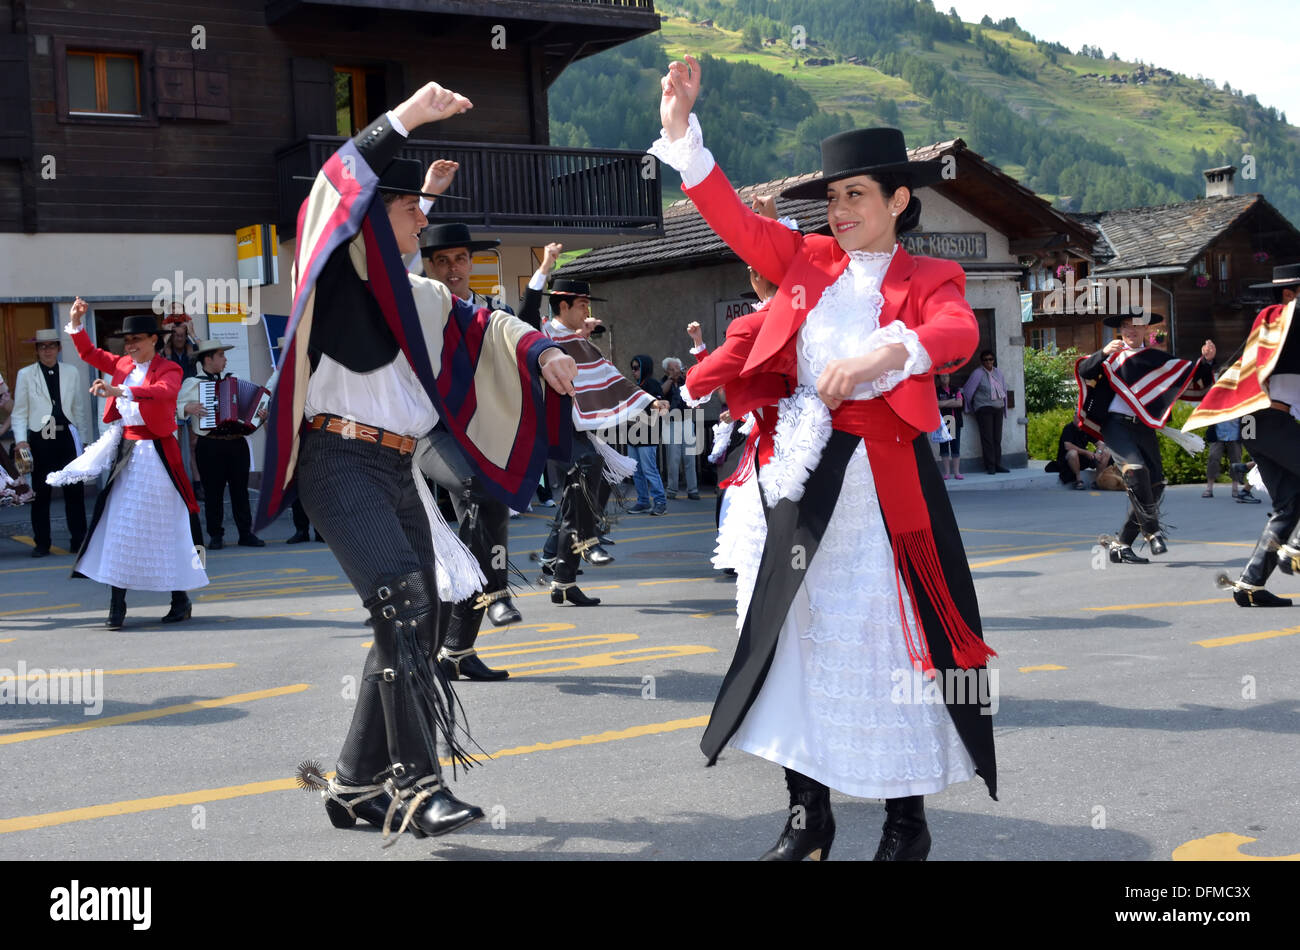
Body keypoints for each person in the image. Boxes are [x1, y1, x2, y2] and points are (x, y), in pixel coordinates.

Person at [650, 54, 996, 861]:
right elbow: (736, 221)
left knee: (889, 646)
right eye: (832, 198)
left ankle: (906, 825)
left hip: (884, 495)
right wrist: (682, 137)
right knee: (789, 637)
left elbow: (958, 335)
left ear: (898, 200)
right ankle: (809, 817)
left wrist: (884, 355)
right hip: (805, 481)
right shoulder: (805, 263)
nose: (838, 211)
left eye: (854, 196)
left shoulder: (932, 276)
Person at [255, 81, 577, 841]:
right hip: (337, 462)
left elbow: (488, 325)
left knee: (418, 620)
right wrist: (403, 119)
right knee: (402, 603)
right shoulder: (332, 269)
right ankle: (416, 787)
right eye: (410, 209)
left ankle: (356, 786)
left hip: (397, 470)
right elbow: (336, 185)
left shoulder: (424, 298)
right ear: (373, 215)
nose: (423, 219)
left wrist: (544, 351)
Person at [519, 243, 660, 607]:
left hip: (575, 428)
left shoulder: (579, 343)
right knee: (589, 468)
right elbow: (526, 310)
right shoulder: (542, 334)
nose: (587, 309)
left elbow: (611, 378)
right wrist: (546, 267)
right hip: (547, 425)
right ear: (563, 305)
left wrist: (648, 399)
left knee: (582, 491)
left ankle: (561, 574)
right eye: (582, 303)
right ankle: (587, 538)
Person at [53, 302, 207, 628]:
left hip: (159, 455)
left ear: (154, 339)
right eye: (127, 341)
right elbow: (90, 355)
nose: (130, 346)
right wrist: (76, 323)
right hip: (128, 453)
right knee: (121, 527)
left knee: (168, 527)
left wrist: (119, 389)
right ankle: (117, 605)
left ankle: (180, 599)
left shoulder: (170, 369)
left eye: (136, 339)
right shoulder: (122, 364)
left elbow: (162, 393)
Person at [1185, 263, 1300, 606]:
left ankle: (1250, 585)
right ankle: (1294, 550)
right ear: (1288, 294)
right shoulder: (1275, 318)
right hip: (1268, 421)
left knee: (1289, 505)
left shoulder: (1281, 339)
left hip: (1257, 424)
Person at [1077, 315, 1214, 564]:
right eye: (1126, 325)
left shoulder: (1155, 358)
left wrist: (1206, 360)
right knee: (1136, 471)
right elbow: (1085, 370)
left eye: (1136, 325)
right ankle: (1153, 533)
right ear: (1120, 329)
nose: (1131, 329)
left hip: (1144, 427)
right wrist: (1102, 352)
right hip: (1115, 424)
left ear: (1145, 329)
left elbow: (1188, 373)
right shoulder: (1111, 356)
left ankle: (1121, 544)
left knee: (1156, 484)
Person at [177, 339, 267, 550]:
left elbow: (249, 410)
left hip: (237, 443)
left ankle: (246, 533)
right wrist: (187, 408)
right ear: (208, 359)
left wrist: (259, 416)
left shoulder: (232, 380)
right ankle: (216, 535)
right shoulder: (192, 384)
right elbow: (172, 407)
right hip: (210, 444)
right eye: (221, 356)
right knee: (213, 492)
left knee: (240, 491)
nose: (225, 360)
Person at [10, 329, 89, 556]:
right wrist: (21, 441)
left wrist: (82, 441)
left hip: (66, 436)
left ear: (58, 348)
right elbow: (19, 412)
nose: (47, 350)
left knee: (74, 491)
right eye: (43, 346)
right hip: (40, 437)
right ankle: (42, 543)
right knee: (41, 493)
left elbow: (79, 408)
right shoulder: (26, 374)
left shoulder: (71, 372)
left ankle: (78, 539)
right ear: (37, 350)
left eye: (52, 346)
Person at [627, 355, 668, 514]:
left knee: (649, 470)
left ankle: (660, 502)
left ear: (645, 368)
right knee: (637, 471)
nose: (633, 371)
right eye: (632, 367)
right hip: (634, 433)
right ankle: (643, 501)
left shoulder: (653, 384)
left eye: (637, 368)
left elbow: (660, 409)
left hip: (647, 434)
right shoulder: (637, 385)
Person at [961, 350, 1008, 474]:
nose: (989, 362)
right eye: (986, 359)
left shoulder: (998, 372)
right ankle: (990, 466)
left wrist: (1005, 408)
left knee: (997, 438)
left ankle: (998, 464)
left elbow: (1004, 389)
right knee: (987, 438)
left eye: (991, 359)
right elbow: (967, 390)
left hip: (998, 408)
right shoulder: (977, 373)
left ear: (994, 360)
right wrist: (971, 408)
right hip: (984, 408)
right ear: (982, 361)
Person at [660, 357, 700, 500]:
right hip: (671, 423)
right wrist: (671, 379)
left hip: (687, 421)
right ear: (667, 370)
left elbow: (696, 396)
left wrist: (688, 378)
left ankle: (693, 489)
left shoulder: (685, 381)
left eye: (678, 367)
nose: (676, 371)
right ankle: (672, 490)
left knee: (690, 457)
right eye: (672, 368)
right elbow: (661, 393)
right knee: (673, 458)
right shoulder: (664, 381)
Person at [1201, 416, 1259, 503]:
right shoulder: (1216, 403)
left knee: (1236, 460)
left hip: (1235, 434)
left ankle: (1235, 488)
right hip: (1217, 434)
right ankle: (1209, 488)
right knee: (1213, 458)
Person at [1045, 419, 1111, 489]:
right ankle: (1078, 480)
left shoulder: (1085, 429)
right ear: (1074, 417)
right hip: (1067, 460)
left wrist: (1098, 453)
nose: (1080, 421)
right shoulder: (1068, 428)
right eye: (1078, 418)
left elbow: (1100, 443)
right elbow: (1068, 446)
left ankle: (1097, 481)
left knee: (1106, 453)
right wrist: (1086, 453)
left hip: (1082, 458)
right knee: (1073, 453)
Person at [935, 372, 964, 480]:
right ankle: (946, 473)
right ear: (939, 378)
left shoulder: (955, 389)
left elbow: (959, 403)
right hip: (942, 422)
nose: (945, 378)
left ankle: (957, 472)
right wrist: (952, 400)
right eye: (942, 376)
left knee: (955, 446)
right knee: (944, 447)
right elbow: (936, 404)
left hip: (954, 421)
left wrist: (944, 403)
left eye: (946, 376)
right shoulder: (936, 390)